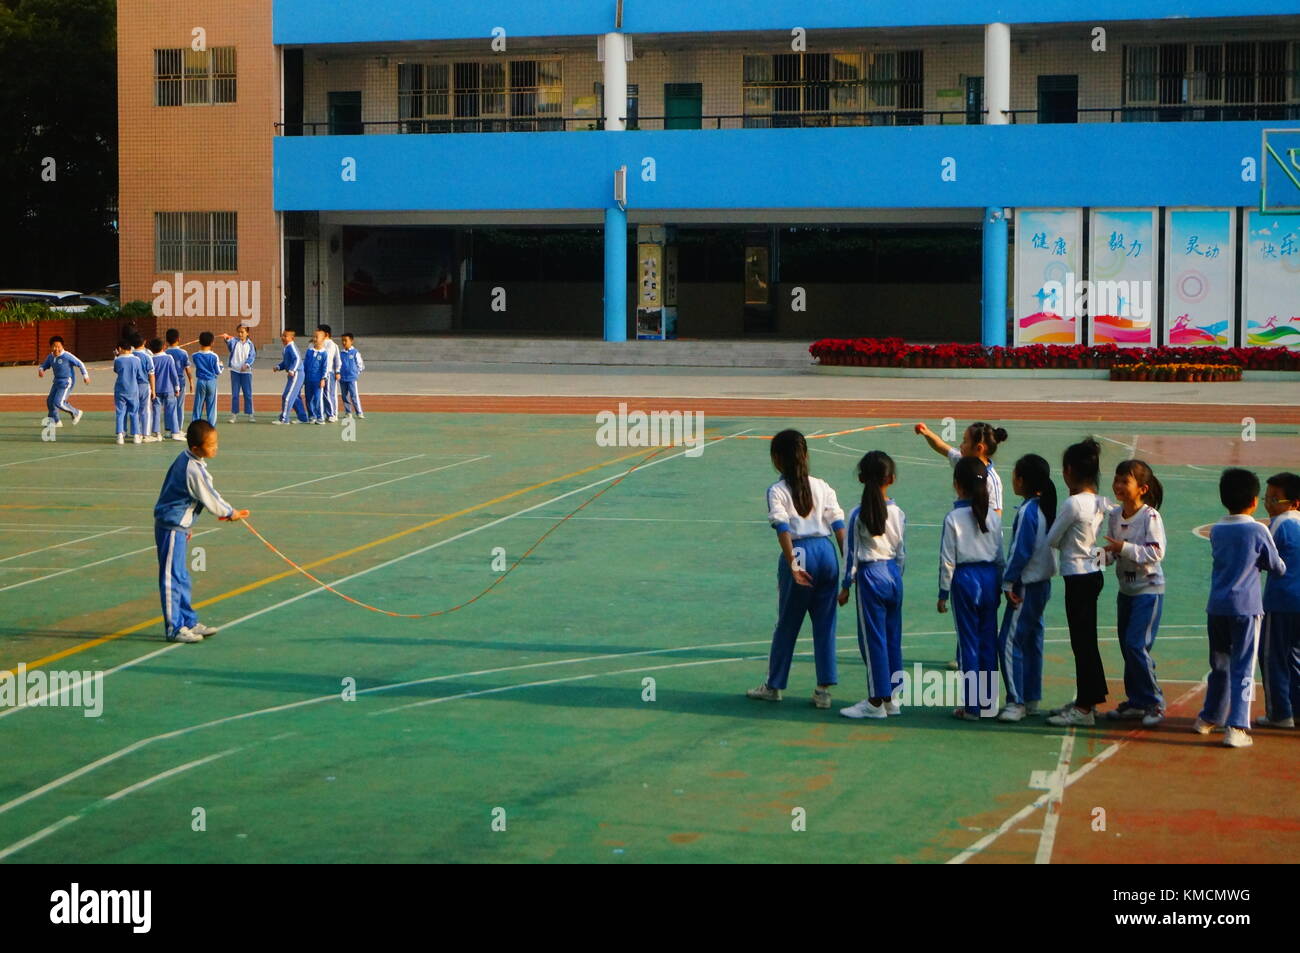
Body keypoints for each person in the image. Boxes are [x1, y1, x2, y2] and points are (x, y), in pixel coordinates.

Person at [747, 430, 846, 709]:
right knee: (825, 624)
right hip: (826, 552)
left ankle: (774, 685)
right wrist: (848, 566)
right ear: (806, 455)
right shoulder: (822, 486)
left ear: (777, 459)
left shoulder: (777, 490)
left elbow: (783, 527)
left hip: (801, 550)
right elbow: (838, 525)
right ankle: (824, 690)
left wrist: (793, 563)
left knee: (788, 623)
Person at [1196, 468, 1286, 748]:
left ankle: (1209, 717)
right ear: (1255, 500)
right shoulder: (1257, 529)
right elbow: (1276, 565)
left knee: (1219, 664)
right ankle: (1237, 725)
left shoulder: (1218, 529)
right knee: (1244, 667)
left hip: (1217, 606)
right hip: (1246, 607)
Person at [153, 420, 249, 643]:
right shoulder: (193, 469)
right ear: (196, 448)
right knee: (171, 577)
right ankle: (174, 628)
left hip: (180, 527)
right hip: (170, 527)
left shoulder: (190, 461)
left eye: (216, 443)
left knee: (182, 576)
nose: (216, 447)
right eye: (211, 444)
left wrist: (188, 526)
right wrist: (230, 512)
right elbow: (209, 496)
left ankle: (188, 621)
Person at [1045, 438, 1111, 727]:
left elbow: (1052, 539)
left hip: (1076, 575)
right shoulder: (1100, 502)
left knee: (1081, 642)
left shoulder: (1073, 503)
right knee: (1087, 640)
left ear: (1069, 471)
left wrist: (1074, 549)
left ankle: (1085, 707)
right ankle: (1089, 698)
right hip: (1094, 573)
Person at [838, 450, 905, 720]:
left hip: (870, 576)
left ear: (862, 478)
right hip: (893, 575)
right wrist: (898, 577)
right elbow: (902, 552)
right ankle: (892, 698)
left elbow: (850, 554)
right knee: (892, 639)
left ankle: (875, 701)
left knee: (872, 641)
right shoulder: (898, 512)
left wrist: (845, 586)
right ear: (891, 478)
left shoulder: (857, 514)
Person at [1100, 460, 1167, 727]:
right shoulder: (1115, 515)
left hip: (1148, 590)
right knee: (1127, 648)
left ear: (1142, 488)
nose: (1117, 485)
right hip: (1126, 591)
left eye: (1124, 481)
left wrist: (1123, 548)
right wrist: (1088, 560)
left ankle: (1155, 702)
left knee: (1136, 645)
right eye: (1116, 479)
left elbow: (1156, 552)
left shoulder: (1150, 516)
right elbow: (1111, 552)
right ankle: (1137, 701)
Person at [939, 456, 1003, 720]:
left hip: (965, 579)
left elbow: (947, 559)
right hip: (990, 576)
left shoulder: (954, 517)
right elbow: (1000, 555)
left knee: (968, 643)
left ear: (957, 485)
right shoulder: (993, 516)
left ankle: (972, 706)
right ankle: (989, 704)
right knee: (989, 640)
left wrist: (943, 592)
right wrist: (1002, 583)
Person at [996, 454, 1058, 722]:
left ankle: (1016, 701)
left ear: (1021, 480)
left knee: (1008, 642)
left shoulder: (1028, 511)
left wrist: (1008, 581)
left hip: (1026, 585)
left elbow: (1020, 551)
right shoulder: (1047, 508)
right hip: (1043, 584)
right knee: (1033, 641)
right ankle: (1031, 697)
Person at [1259, 472, 1300, 728]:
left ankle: (1280, 713)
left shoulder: (1278, 524)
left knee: (1273, 657)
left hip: (1281, 601)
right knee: (1295, 657)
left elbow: (1262, 559)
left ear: (1294, 503)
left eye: (1275, 499)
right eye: (1267, 498)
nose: (1269, 504)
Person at [37, 335, 89, 427]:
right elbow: (44, 365)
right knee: (50, 401)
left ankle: (76, 412)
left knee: (58, 402)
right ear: (51, 347)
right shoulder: (50, 357)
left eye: (58, 346)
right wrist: (41, 370)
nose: (56, 349)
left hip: (66, 382)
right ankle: (55, 421)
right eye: (54, 346)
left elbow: (80, 363)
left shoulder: (67, 356)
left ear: (62, 346)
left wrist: (85, 376)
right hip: (57, 381)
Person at [272, 328, 309, 425]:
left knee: (287, 396)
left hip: (297, 374)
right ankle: (303, 417)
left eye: (285, 336)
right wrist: (278, 367)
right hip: (293, 375)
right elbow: (286, 362)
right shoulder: (286, 348)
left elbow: (297, 359)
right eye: (282, 335)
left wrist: (292, 370)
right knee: (295, 397)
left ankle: (284, 419)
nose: (283, 338)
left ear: (292, 338)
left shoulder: (291, 347)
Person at [148, 338, 183, 441]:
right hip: (169, 389)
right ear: (163, 347)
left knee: (156, 411)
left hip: (156, 390)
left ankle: (157, 433)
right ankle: (175, 432)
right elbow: (174, 374)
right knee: (172, 411)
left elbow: (150, 375)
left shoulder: (151, 359)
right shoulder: (169, 358)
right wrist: (177, 387)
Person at [222, 325, 257, 423]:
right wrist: (226, 338)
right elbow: (229, 344)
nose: (240, 334)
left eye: (242, 332)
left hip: (246, 372)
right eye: (239, 332)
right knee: (235, 394)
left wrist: (247, 364)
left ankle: (250, 414)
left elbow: (252, 356)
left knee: (248, 394)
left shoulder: (250, 344)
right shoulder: (234, 341)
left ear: (247, 333)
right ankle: (234, 415)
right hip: (235, 371)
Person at [112, 342, 142, 445]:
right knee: (134, 412)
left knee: (120, 412)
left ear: (120, 348)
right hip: (133, 389)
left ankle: (120, 435)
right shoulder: (136, 360)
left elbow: (116, 370)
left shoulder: (118, 360)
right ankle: (136, 435)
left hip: (120, 389)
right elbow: (139, 373)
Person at [191, 332, 223, 427]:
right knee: (212, 406)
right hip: (211, 382)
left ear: (199, 342)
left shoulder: (195, 355)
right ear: (212, 343)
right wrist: (221, 365)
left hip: (200, 381)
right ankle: (211, 427)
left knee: (198, 405)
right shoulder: (214, 356)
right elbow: (218, 371)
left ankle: (195, 426)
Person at [302, 329, 331, 424]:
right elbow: (305, 365)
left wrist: (323, 379)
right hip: (308, 379)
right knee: (308, 398)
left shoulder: (324, 353)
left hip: (317, 380)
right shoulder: (309, 351)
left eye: (317, 337)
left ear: (323, 339)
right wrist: (303, 377)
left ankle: (320, 417)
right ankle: (311, 416)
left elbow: (325, 367)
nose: (314, 339)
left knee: (318, 399)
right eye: (313, 337)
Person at [338, 332, 365, 418]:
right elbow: (338, 364)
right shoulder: (341, 353)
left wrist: (355, 373)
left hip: (352, 378)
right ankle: (348, 412)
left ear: (351, 341)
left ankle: (359, 412)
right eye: (342, 341)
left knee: (354, 395)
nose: (344, 342)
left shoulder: (355, 352)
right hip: (342, 378)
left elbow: (360, 365)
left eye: (346, 340)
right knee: (344, 396)